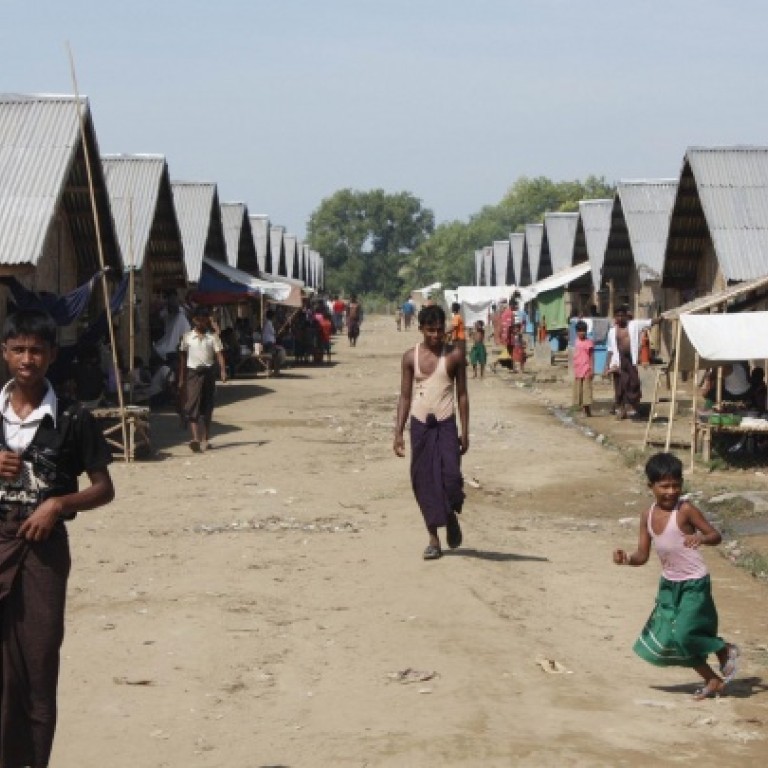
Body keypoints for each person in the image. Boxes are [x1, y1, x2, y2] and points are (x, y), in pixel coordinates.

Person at [0, 309, 115, 767]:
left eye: (37, 350)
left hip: (43, 555)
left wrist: (58, 504)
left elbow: (104, 488)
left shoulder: (72, 419)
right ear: (5, 353)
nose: (28, 358)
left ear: (51, 355)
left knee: (40, 660)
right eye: (19, 349)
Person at [613, 452, 740, 700]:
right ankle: (712, 679)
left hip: (694, 583)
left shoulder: (686, 510)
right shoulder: (647, 516)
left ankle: (723, 648)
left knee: (684, 634)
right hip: (669, 585)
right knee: (670, 637)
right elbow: (642, 555)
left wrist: (701, 538)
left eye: (676, 485)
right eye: (664, 486)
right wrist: (626, 559)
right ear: (651, 486)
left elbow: (715, 536)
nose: (671, 491)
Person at [393, 304, 469, 560]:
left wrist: (465, 432)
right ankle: (434, 539)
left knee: (451, 478)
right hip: (420, 425)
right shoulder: (409, 358)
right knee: (423, 481)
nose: (436, 336)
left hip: (447, 425)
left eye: (439, 330)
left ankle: (450, 515)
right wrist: (398, 433)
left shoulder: (455, 356)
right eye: (430, 331)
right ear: (421, 329)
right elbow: (404, 397)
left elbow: (462, 395)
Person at [178, 307, 227, 452]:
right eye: (198, 319)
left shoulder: (213, 337)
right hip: (193, 374)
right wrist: (181, 377)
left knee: (207, 406)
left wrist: (223, 370)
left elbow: (219, 355)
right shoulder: (187, 337)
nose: (200, 322)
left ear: (207, 321)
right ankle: (195, 439)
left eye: (203, 319)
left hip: (208, 373)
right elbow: (182, 357)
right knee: (193, 404)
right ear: (194, 320)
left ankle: (206, 438)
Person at [606, 306, 661, 420]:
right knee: (619, 386)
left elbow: (650, 322)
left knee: (633, 383)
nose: (620, 318)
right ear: (615, 317)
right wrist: (607, 366)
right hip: (618, 360)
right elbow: (610, 349)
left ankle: (632, 406)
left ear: (626, 316)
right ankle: (620, 410)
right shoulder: (612, 331)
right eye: (618, 316)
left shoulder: (634, 325)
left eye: (622, 315)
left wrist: (661, 318)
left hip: (631, 359)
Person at [572, 320, 594, 416]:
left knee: (586, 390)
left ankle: (587, 410)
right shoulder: (576, 342)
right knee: (579, 390)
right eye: (580, 331)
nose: (582, 333)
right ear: (576, 332)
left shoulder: (589, 342)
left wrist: (592, 369)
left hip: (586, 369)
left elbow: (592, 356)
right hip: (578, 369)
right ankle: (581, 409)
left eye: (584, 331)